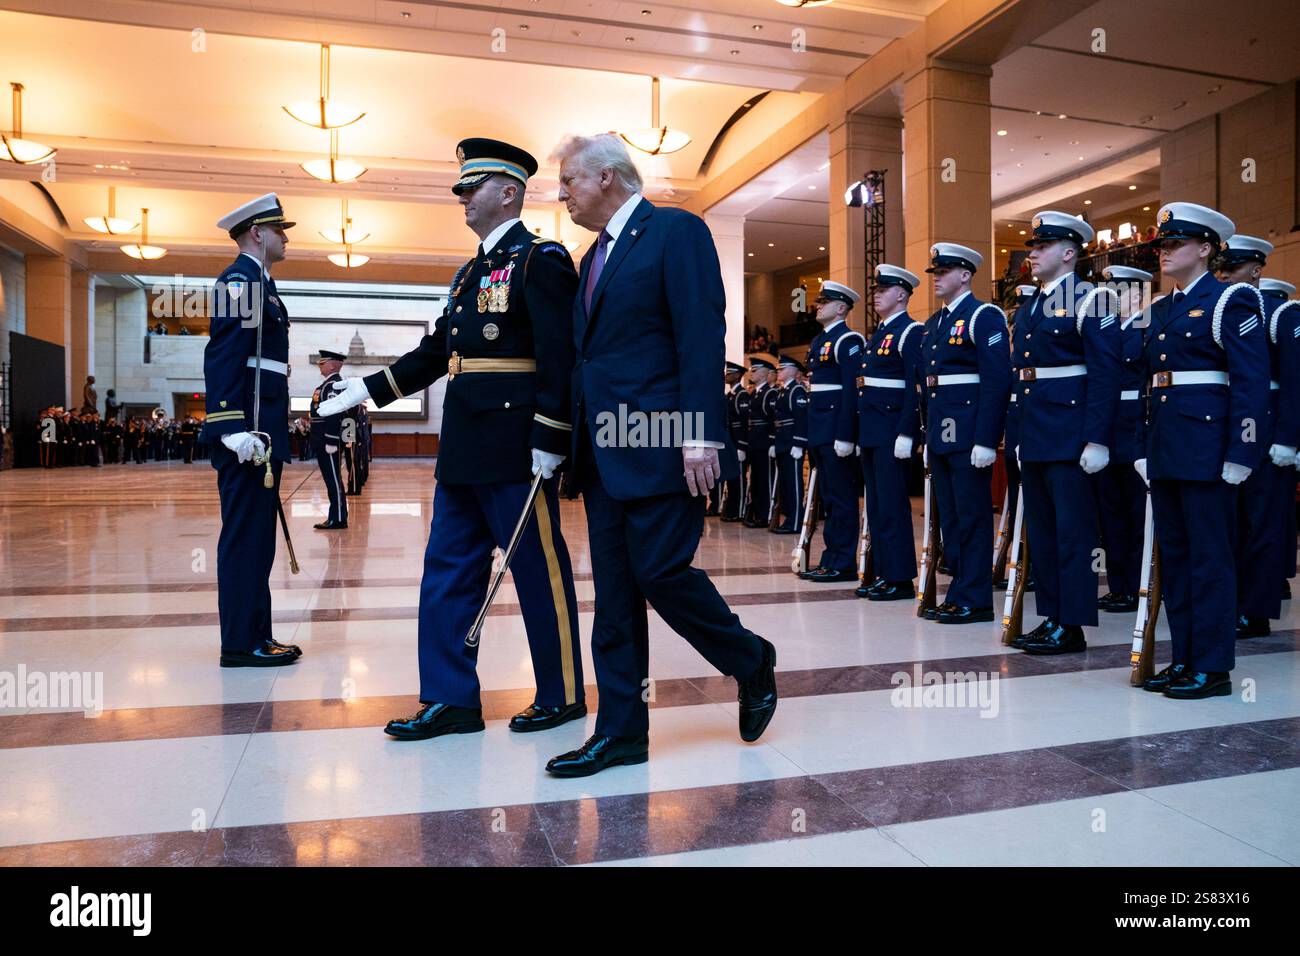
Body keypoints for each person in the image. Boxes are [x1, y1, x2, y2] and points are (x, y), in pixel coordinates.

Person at [319, 137, 587, 740]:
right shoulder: (468, 273)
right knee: (446, 573)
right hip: (463, 445)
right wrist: (366, 388)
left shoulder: (540, 259)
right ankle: (451, 699)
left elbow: (559, 355)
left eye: (473, 187)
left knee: (538, 574)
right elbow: (439, 353)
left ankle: (563, 692)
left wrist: (553, 434)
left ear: (509, 192)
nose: (463, 198)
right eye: (462, 188)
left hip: (518, 447)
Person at [544, 131, 776, 777]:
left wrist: (701, 430)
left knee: (661, 573)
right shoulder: (591, 257)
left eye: (569, 182)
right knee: (615, 596)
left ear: (608, 179)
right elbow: (589, 360)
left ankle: (750, 658)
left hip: (662, 442)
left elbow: (700, 332)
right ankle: (620, 732)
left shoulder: (676, 231)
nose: (561, 194)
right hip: (604, 451)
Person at [1137, 202, 1269, 700]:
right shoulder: (1163, 309)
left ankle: (1212, 666)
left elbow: (1251, 384)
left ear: (1207, 249)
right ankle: (1185, 657)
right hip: (1169, 447)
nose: (1165, 252)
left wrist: (1244, 450)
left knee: (1210, 559)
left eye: (1175, 244)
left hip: (1210, 450)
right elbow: (1151, 385)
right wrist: (1143, 447)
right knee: (1176, 557)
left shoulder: (1229, 300)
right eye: (1162, 245)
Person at [200, 192, 301, 668]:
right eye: (280, 229)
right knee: (245, 539)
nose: (285, 237)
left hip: (262, 436)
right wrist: (231, 427)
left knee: (257, 540)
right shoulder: (240, 282)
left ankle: (256, 634)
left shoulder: (261, 283)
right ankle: (241, 642)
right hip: (248, 439)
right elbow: (223, 357)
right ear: (257, 232)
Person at [1013, 211, 1121, 655]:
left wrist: (1097, 438)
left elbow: (1105, 373)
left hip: (1071, 434)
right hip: (1038, 433)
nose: (1032, 252)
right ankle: (1051, 616)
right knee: (1043, 533)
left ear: (1069, 252)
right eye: (1033, 245)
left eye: (1043, 245)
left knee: (1073, 534)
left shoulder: (1091, 299)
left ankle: (1071, 624)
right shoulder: (1032, 304)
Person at [917, 243, 1010, 624]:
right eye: (934, 271)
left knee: (971, 516)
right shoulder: (935, 323)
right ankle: (958, 590)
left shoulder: (983, 315)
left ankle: (975, 597)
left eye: (944, 270)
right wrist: (926, 436)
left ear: (965, 275)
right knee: (950, 518)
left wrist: (988, 439)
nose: (936, 277)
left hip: (970, 433)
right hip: (941, 432)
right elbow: (929, 386)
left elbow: (997, 379)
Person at [1214, 235, 1287, 638]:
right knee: (1232, 525)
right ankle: (1232, 600)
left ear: (1257, 270)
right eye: (1221, 268)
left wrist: (1290, 438)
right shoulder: (1220, 310)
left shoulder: (1278, 314)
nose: (1223, 275)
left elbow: (1292, 383)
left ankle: (1255, 611)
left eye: (1234, 268)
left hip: (1270, 433)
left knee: (1262, 526)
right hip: (1229, 428)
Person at [855, 264, 923, 601]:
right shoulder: (879, 334)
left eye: (883, 289)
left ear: (901, 294)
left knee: (893, 507)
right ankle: (883, 571)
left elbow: (915, 388)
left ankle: (899, 578)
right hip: (872, 432)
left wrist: (906, 433)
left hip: (891, 432)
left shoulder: (910, 332)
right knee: (877, 506)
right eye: (876, 289)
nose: (876, 294)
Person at [1093, 265, 1152, 614]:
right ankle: (1119, 586)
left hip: (1135, 426)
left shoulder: (1146, 329)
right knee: (1110, 513)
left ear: (1137, 294)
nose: (1113, 297)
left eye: (1120, 291)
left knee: (1136, 512)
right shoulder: (1105, 329)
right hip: (1108, 428)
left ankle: (1138, 583)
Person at [800, 281, 865, 583]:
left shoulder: (848, 339)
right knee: (828, 499)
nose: (818, 305)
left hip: (835, 432)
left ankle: (843, 562)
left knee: (841, 498)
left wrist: (845, 435)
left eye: (824, 301)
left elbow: (852, 392)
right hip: (819, 431)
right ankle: (830, 557)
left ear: (841, 307)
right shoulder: (819, 341)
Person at [310, 349, 350, 530]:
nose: (320, 365)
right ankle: (335, 516)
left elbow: (334, 415)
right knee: (331, 479)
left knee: (333, 479)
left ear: (333, 364)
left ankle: (339, 518)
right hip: (323, 438)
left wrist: (332, 441)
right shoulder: (328, 384)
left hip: (328, 441)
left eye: (323, 362)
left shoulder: (333, 385)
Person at [771, 356, 808, 535]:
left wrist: (799, 443)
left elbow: (801, 418)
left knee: (794, 484)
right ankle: (789, 518)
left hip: (792, 443)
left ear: (793, 370)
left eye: (783, 368)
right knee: (785, 484)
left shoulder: (797, 390)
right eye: (778, 369)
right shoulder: (782, 391)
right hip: (782, 442)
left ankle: (795, 521)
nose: (779, 371)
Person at [744, 357, 777, 527]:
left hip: (764, 442)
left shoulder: (769, 393)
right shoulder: (755, 393)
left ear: (764, 373)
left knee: (765, 480)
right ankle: (756, 512)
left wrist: (772, 441)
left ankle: (765, 514)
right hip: (754, 442)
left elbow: (773, 419)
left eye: (755, 370)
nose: (752, 373)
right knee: (756, 480)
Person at [719, 360, 749, 521]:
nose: (726, 375)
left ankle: (739, 510)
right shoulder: (730, 395)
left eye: (729, 373)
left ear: (738, 375)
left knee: (739, 479)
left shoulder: (742, 395)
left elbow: (744, 423)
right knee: (731, 479)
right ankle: (731, 509)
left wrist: (742, 446)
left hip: (738, 443)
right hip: (730, 442)